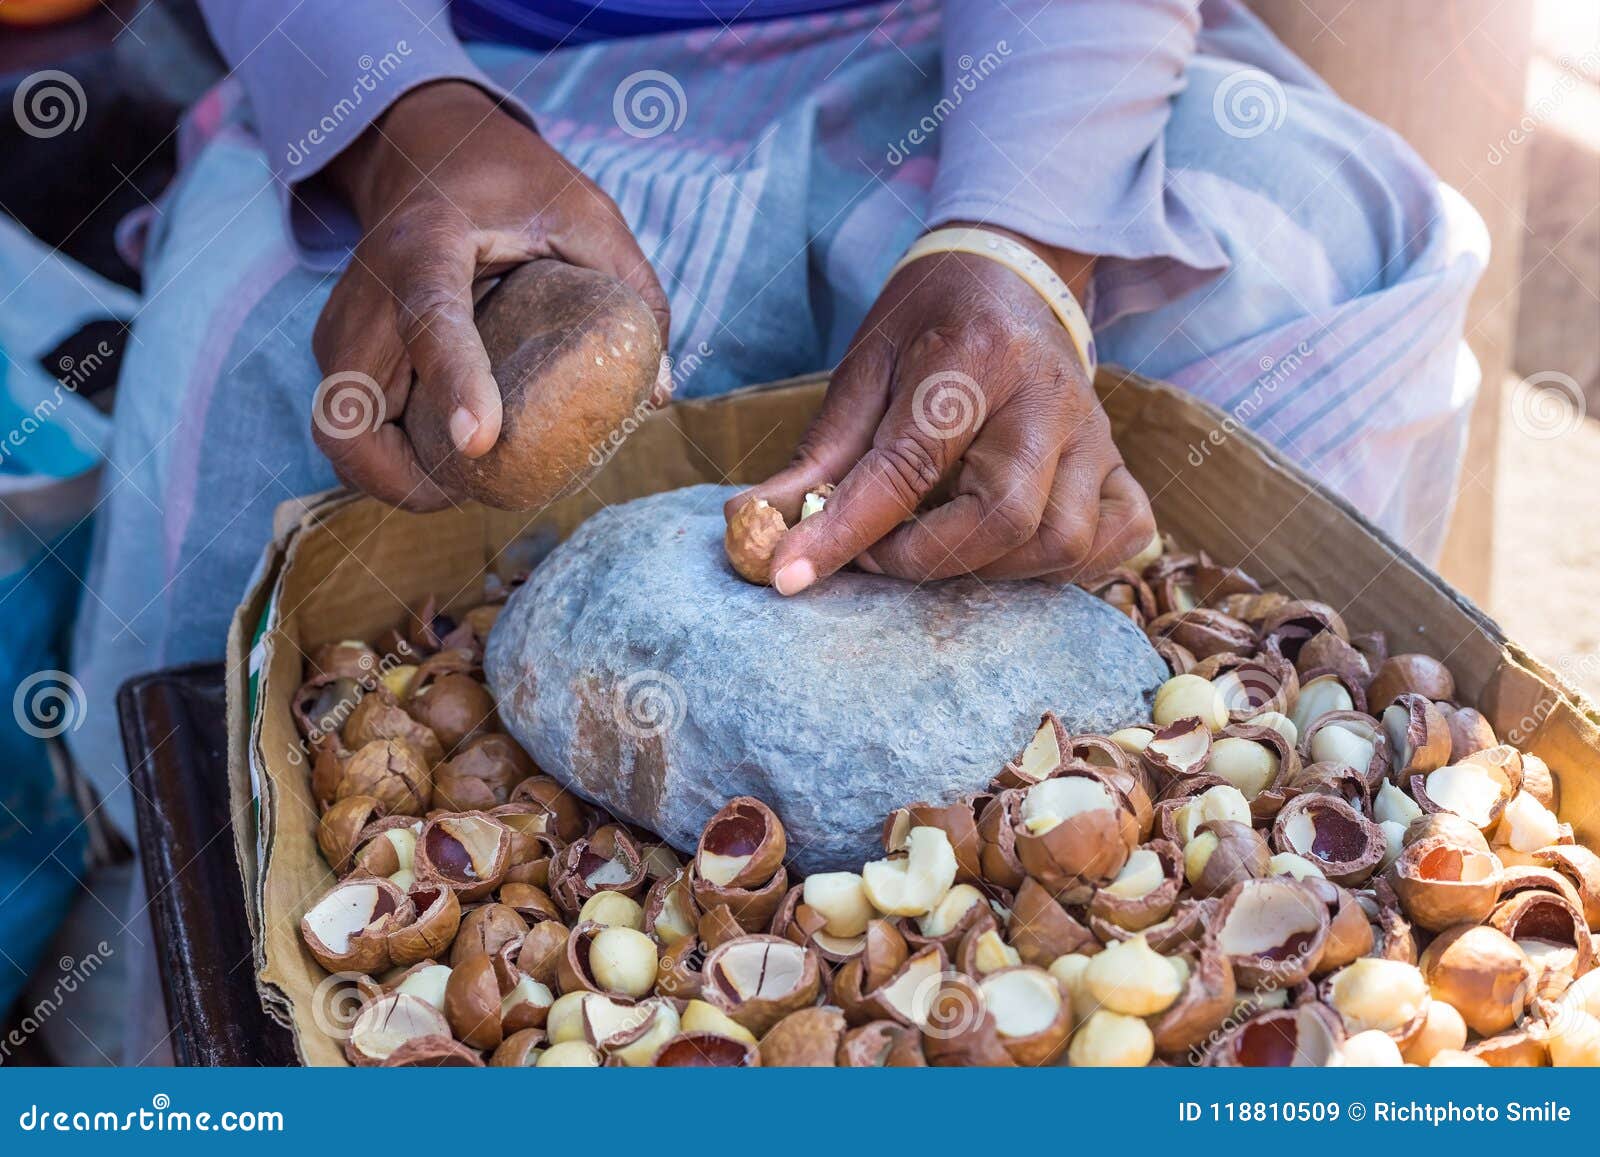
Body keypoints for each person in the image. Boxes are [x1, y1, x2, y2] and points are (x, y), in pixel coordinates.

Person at [59, 0, 1483, 1059]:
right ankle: (183, 946)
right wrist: (403, 129)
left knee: (1301, 251)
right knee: (252, 358)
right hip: (475, 75)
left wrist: (1019, 247)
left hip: (950, 59)